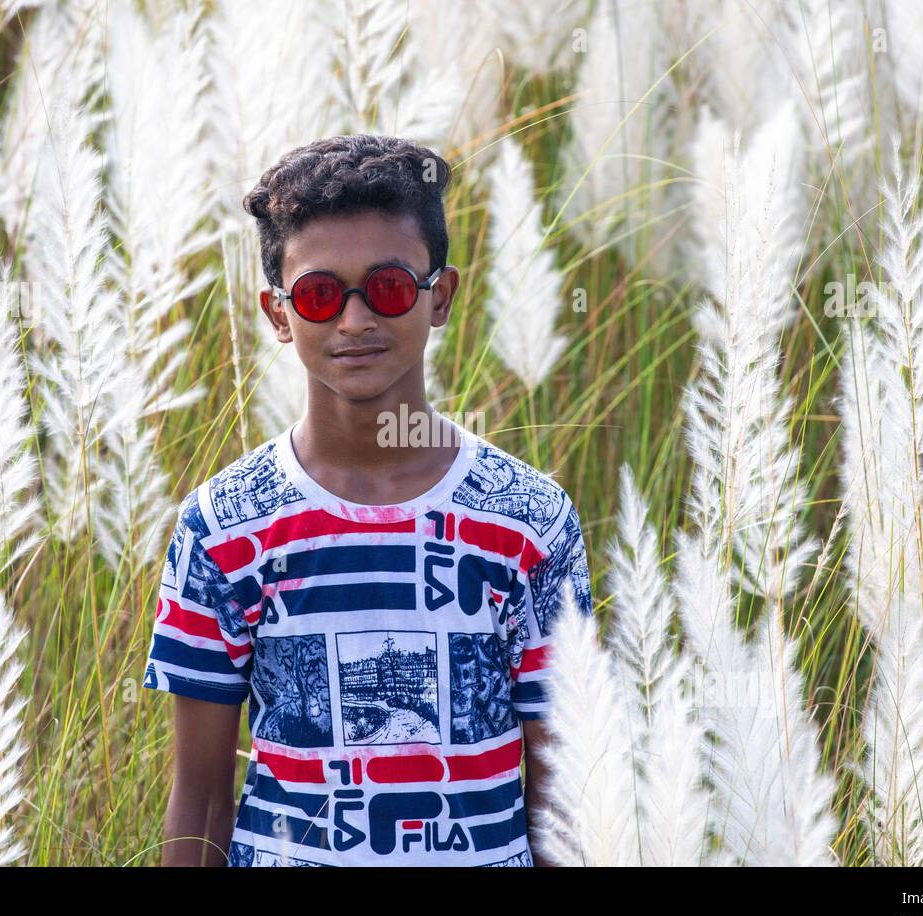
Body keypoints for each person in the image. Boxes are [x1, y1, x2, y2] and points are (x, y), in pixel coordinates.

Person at [141, 133, 594, 867]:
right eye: (320, 295)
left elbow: (559, 797)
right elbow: (200, 801)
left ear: (439, 295)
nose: (354, 321)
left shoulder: (527, 520)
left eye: (386, 287)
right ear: (278, 315)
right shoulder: (223, 525)